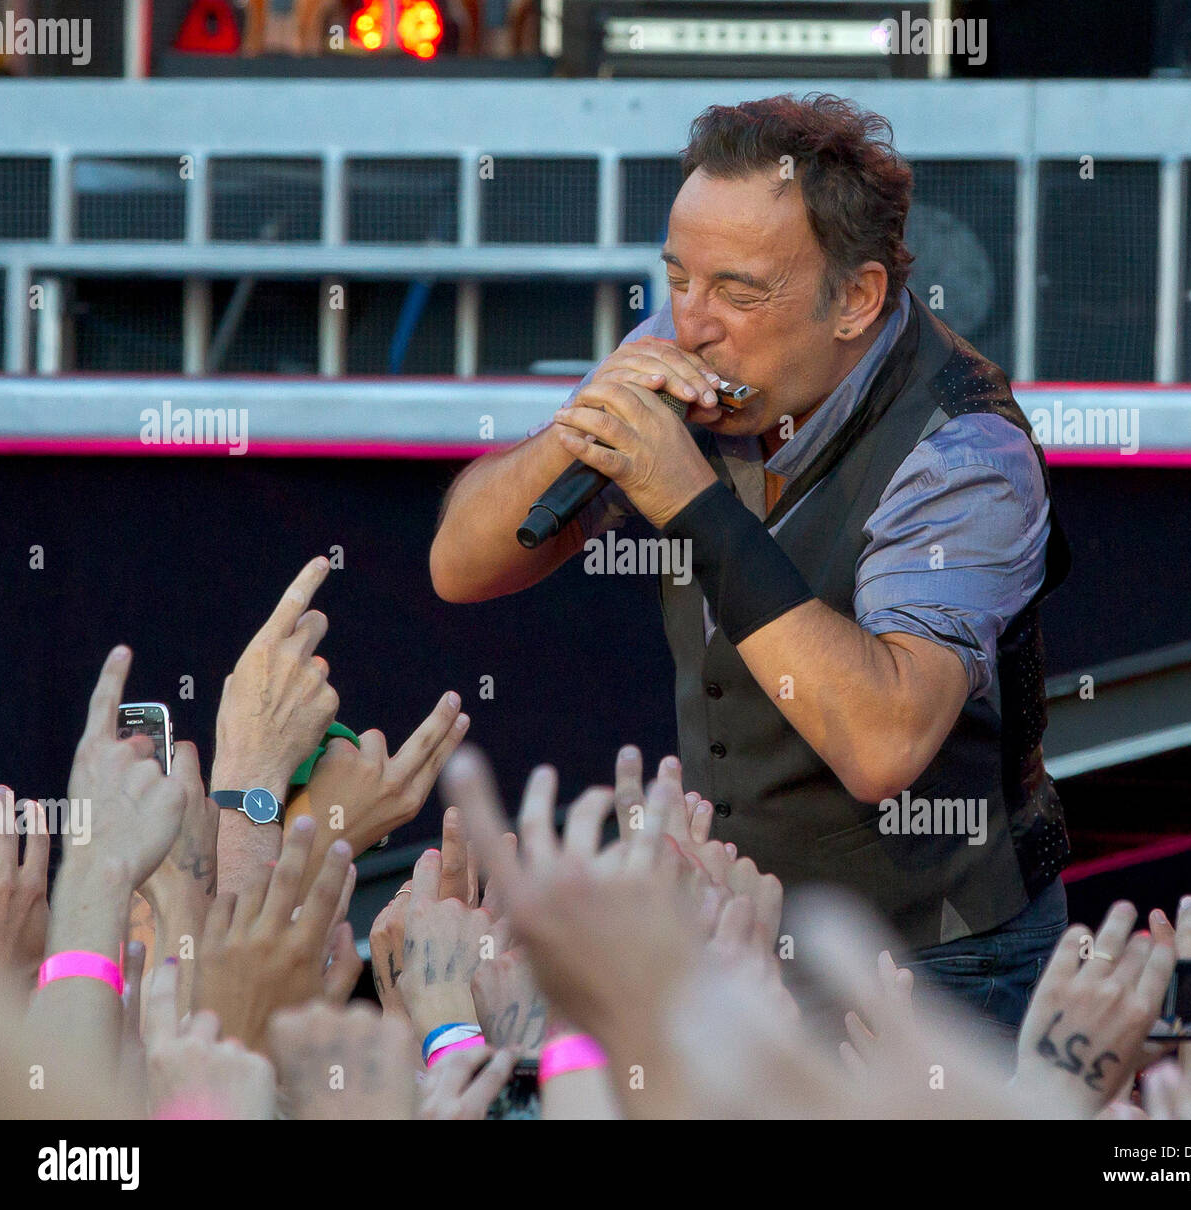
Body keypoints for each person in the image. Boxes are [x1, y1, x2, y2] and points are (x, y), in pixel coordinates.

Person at [429, 93, 1074, 1032]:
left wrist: (685, 498)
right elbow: (460, 567)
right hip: (742, 939)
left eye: (737, 291)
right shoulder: (679, 338)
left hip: (943, 963)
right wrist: (579, 432)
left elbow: (883, 744)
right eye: (676, 277)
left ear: (855, 298)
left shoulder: (964, 452)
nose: (690, 324)